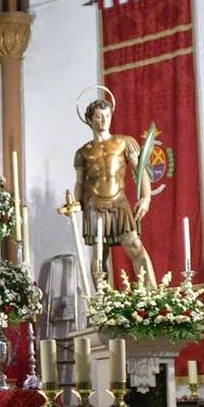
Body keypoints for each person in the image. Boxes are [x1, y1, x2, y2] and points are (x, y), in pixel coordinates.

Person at [60, 98, 156, 286]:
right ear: (90, 120)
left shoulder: (124, 142)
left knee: (135, 246)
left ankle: (152, 294)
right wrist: (76, 203)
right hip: (94, 205)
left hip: (119, 203)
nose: (104, 120)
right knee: (98, 254)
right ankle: (104, 304)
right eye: (98, 116)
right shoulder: (83, 152)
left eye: (107, 115)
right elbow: (80, 182)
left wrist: (146, 197)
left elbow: (141, 171)